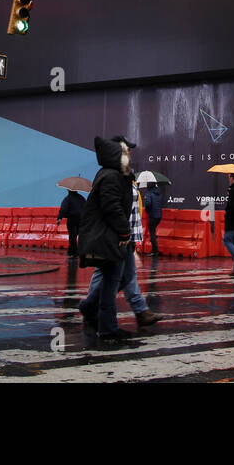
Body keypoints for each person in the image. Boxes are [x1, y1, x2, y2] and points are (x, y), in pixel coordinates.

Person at [83, 163, 161, 329]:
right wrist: (123, 235)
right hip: (119, 238)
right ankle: (135, 313)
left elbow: (134, 212)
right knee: (122, 276)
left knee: (116, 275)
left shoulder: (129, 186)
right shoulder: (114, 183)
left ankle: (91, 306)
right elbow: (114, 210)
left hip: (126, 237)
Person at [77, 136, 135, 342]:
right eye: (126, 153)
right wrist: (124, 231)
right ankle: (108, 328)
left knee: (123, 277)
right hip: (111, 236)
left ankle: (89, 306)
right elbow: (111, 206)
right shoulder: (111, 176)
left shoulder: (115, 174)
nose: (129, 156)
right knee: (112, 281)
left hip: (114, 235)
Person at [57, 188, 86, 257]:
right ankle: (73, 251)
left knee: (72, 237)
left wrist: (59, 218)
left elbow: (63, 209)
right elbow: (86, 207)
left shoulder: (68, 198)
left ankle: (73, 252)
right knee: (78, 236)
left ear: (69, 190)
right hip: (81, 220)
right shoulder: (82, 198)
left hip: (72, 220)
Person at [140, 181, 164, 256]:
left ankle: (155, 251)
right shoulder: (159, 193)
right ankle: (155, 249)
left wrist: (147, 211)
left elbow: (148, 204)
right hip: (159, 216)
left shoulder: (149, 193)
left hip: (152, 215)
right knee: (153, 231)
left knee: (152, 233)